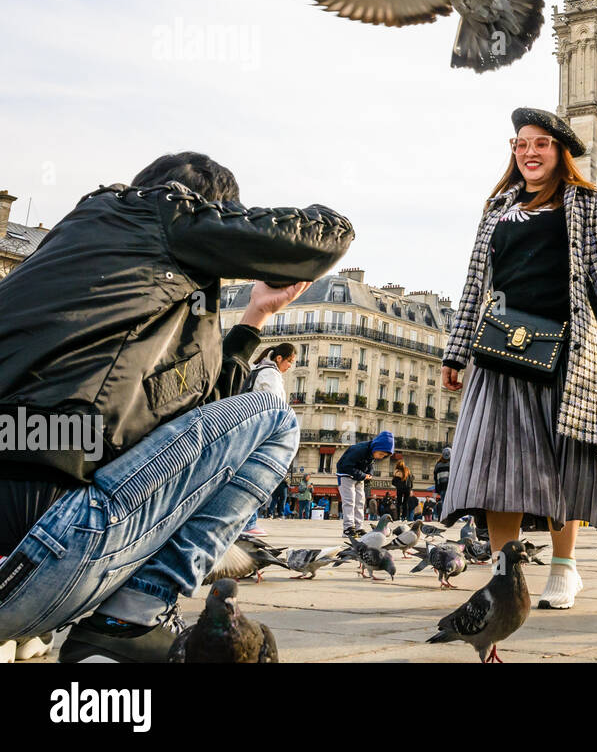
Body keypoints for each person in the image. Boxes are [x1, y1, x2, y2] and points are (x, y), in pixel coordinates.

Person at [0, 151, 352, 662]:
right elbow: (324, 240)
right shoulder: (147, 209)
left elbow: (199, 415)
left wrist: (253, 317)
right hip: (38, 565)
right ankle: (128, 622)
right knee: (273, 419)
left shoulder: (78, 266)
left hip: (22, 564)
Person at [439, 108, 597, 610]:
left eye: (540, 143)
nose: (528, 152)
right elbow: (476, 283)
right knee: (497, 468)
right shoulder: (496, 208)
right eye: (520, 144)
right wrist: (455, 350)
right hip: (500, 348)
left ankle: (564, 568)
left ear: (560, 151)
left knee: (560, 467)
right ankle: (502, 572)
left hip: (564, 347)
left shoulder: (586, 201)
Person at [241, 342, 297, 536]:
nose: (290, 366)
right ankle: (249, 524)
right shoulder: (270, 374)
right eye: (289, 361)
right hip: (261, 431)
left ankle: (247, 523)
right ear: (279, 358)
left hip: (248, 428)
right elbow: (276, 406)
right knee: (254, 478)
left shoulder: (257, 369)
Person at [339, 432, 394, 536]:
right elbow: (346, 466)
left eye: (384, 456)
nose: (381, 457)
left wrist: (369, 474)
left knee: (360, 502)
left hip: (359, 477)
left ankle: (358, 527)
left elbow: (370, 466)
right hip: (345, 475)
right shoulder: (359, 449)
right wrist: (363, 475)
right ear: (376, 447)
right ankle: (348, 528)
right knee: (349, 501)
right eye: (381, 454)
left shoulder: (372, 453)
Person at [391, 457, 413, 522]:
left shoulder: (397, 472)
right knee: (405, 503)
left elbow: (394, 482)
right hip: (407, 488)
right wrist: (410, 487)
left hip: (400, 488)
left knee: (399, 503)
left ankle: (398, 518)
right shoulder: (408, 471)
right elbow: (412, 479)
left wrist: (397, 485)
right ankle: (404, 517)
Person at [432, 448, 451, 520]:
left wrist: (437, 489)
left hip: (441, 487)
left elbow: (435, 478)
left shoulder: (438, 465)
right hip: (450, 487)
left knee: (443, 502)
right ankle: (449, 517)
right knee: (450, 503)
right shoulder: (451, 464)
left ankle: (444, 517)